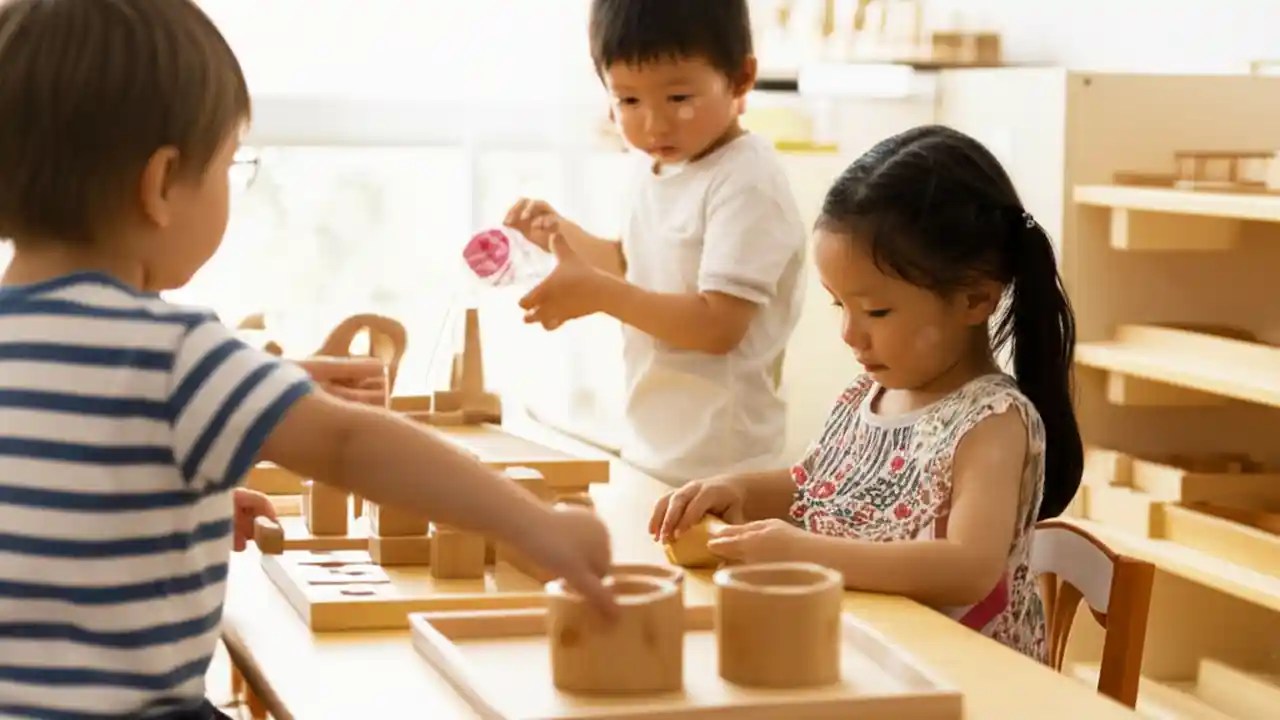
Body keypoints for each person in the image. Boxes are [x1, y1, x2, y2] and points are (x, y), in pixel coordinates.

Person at [0, 2, 614, 718]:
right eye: (232, 164)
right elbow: (349, 443)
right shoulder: (174, 354)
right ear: (163, 183)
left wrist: (164, 507)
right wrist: (535, 525)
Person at [650, 125, 1084, 662]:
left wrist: (804, 551)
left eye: (876, 311)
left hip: (963, 678)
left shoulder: (992, 421)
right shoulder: (870, 393)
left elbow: (968, 568)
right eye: (840, 306)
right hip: (870, 650)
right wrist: (736, 489)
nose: (851, 334)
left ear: (975, 300)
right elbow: (819, 486)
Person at [506, 0, 807, 486]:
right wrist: (560, 236)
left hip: (723, 466)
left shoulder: (746, 180)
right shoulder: (655, 167)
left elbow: (718, 327)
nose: (654, 125)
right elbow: (631, 266)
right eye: (628, 101)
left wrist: (601, 295)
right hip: (655, 450)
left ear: (740, 79)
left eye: (679, 97)